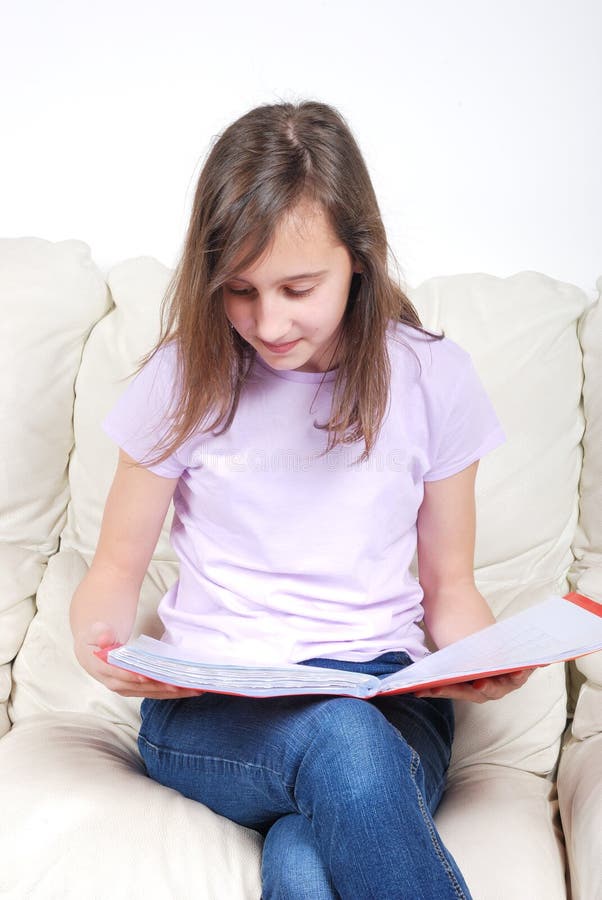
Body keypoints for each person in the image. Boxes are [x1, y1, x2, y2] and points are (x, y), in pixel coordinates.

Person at [70, 100, 533, 900]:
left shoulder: (432, 377)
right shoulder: (181, 379)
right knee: (343, 745)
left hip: (385, 698)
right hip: (217, 706)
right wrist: (101, 648)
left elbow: (449, 588)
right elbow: (113, 570)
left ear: (360, 255)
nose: (267, 322)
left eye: (296, 287)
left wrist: (484, 664)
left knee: (303, 861)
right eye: (239, 290)